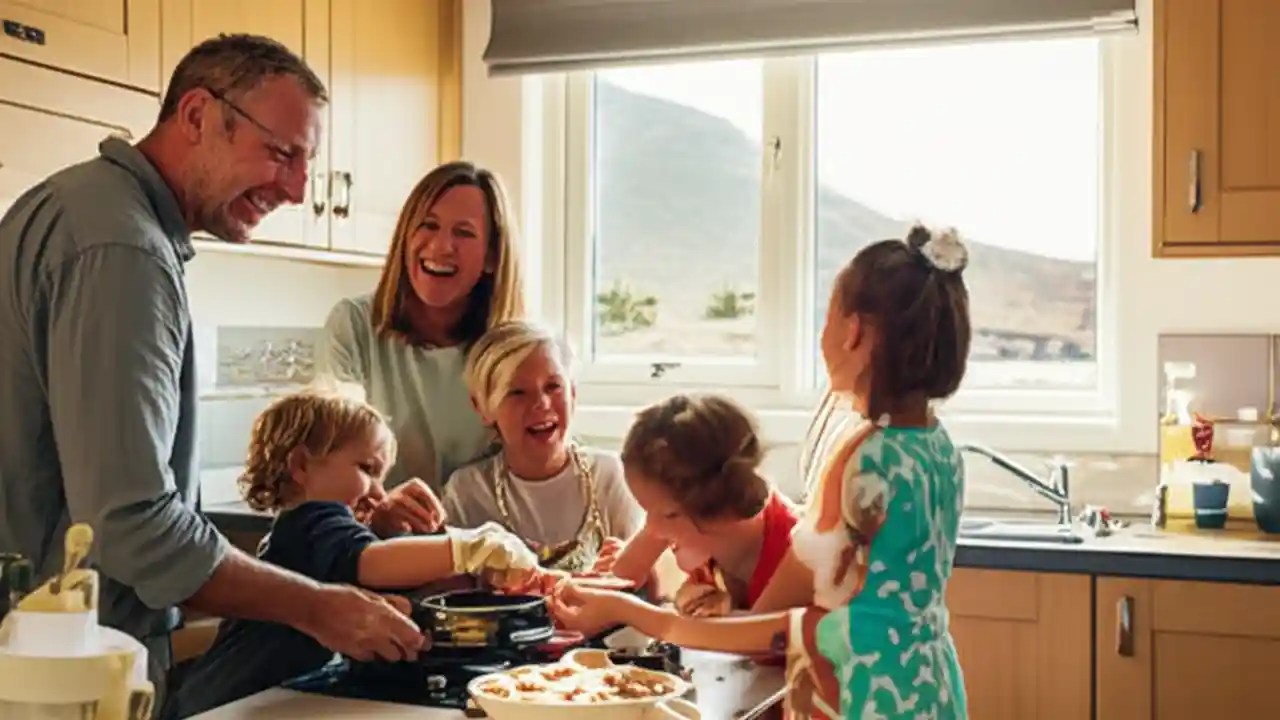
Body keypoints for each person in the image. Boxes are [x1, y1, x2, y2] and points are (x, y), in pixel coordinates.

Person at [0, 33, 423, 707]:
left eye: (304, 166)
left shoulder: (79, 210)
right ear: (197, 115)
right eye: (281, 154)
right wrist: (319, 606)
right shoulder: (122, 250)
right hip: (63, 670)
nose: (293, 188)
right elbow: (133, 526)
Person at [552, 223, 973, 719]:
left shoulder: (865, 457)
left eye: (828, 320)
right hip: (932, 688)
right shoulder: (940, 447)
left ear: (853, 331)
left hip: (866, 697)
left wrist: (634, 613)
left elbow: (774, 624)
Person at [166, 391, 540, 717]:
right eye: (367, 469)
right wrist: (472, 546)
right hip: (223, 705)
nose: (379, 492)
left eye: (383, 476)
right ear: (301, 466)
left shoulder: (302, 535)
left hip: (245, 701)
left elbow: (366, 563)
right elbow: (372, 562)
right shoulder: (311, 521)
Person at [316, 161, 526, 537]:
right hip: (379, 549)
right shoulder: (353, 325)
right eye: (428, 225)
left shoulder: (512, 349)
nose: (441, 246)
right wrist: (377, 508)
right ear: (405, 236)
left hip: (482, 560)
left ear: (492, 257)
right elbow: (328, 460)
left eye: (463, 232)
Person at [440, 320, 644, 577]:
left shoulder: (609, 475)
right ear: (482, 407)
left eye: (553, 386)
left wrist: (626, 565)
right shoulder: (468, 491)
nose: (541, 403)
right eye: (517, 392)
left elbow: (646, 585)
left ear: (573, 393)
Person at [594, 394, 798, 616]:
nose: (652, 529)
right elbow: (622, 577)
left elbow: (761, 637)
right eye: (648, 512)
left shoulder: (794, 556)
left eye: (669, 515)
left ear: (724, 506)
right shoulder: (708, 538)